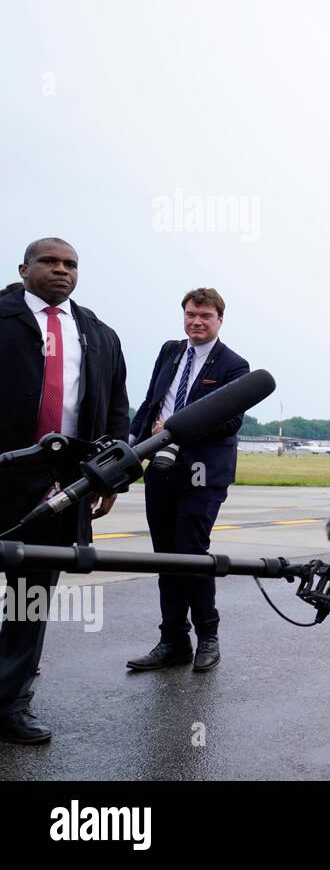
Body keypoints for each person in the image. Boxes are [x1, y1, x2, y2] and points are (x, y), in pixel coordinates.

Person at [0, 238, 129, 744]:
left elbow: (116, 409)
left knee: (29, 599)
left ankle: (10, 702)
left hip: (61, 486)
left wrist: (111, 475)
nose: (61, 270)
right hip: (3, 473)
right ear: (23, 268)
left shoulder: (97, 333)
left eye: (70, 264)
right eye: (50, 262)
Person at [125, 287, 250, 673]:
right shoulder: (170, 351)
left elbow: (230, 421)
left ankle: (208, 637)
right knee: (166, 555)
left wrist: (179, 429)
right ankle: (173, 640)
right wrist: (130, 446)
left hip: (202, 471)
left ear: (220, 320)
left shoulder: (234, 366)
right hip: (160, 467)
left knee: (192, 552)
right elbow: (150, 402)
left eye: (205, 316)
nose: (196, 321)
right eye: (191, 315)